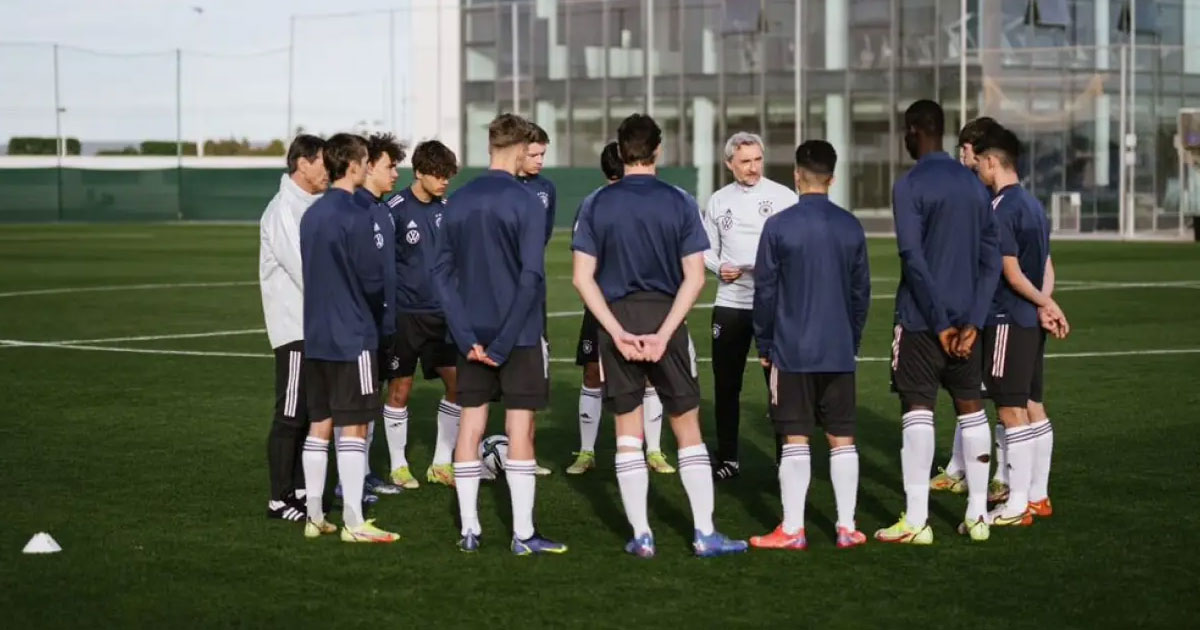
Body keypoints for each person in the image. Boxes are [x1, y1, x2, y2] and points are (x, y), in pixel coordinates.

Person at [572, 113, 747, 558]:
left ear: (620, 148)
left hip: (618, 322)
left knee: (627, 430)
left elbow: (582, 278)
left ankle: (642, 535)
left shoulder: (596, 202)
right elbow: (695, 277)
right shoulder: (680, 200)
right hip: (666, 318)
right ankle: (704, 534)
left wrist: (616, 330)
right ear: (658, 150)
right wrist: (664, 334)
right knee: (687, 427)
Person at [433, 114, 566, 555]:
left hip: (470, 334)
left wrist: (465, 334)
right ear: (520, 146)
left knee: (470, 425)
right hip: (519, 335)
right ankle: (523, 534)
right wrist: (506, 341)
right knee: (521, 429)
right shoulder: (528, 201)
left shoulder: (458, 200)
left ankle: (469, 529)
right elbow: (531, 277)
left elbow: (440, 274)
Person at [874, 100, 1001, 545]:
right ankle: (978, 516)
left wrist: (941, 322)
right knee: (971, 409)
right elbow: (991, 261)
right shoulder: (974, 187)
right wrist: (974, 321)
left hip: (922, 322)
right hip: (968, 324)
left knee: (918, 410)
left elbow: (912, 256)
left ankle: (916, 520)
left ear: (913, 131)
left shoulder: (909, 185)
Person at [748, 140, 870, 550]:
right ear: (832, 179)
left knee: (795, 437)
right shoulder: (851, 225)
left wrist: (764, 344)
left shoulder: (778, 226)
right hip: (837, 350)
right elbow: (861, 294)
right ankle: (847, 527)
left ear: (797, 175)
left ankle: (793, 529)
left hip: (792, 349)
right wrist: (849, 341)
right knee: (842, 437)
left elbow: (764, 292)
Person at [298, 132, 399, 543]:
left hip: (316, 335)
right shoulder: (358, 215)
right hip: (353, 335)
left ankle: (315, 515)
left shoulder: (311, 214)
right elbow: (374, 280)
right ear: (355, 165)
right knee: (355, 427)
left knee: (319, 425)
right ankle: (354, 522)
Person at [970, 125, 1068, 525]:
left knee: (1010, 410)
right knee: (1031, 405)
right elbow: (1047, 264)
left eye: (979, 164)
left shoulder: (1001, 208)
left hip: (1007, 318)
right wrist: (1046, 304)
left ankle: (1017, 505)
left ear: (992, 163)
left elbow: (1009, 273)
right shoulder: (1034, 205)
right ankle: (1038, 497)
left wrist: (1044, 303)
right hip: (1030, 320)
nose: (977, 171)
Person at [566, 141, 673, 476]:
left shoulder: (656, 202)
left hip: (647, 305)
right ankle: (586, 451)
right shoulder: (592, 205)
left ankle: (653, 450)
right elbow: (583, 262)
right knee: (592, 373)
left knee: (651, 375)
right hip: (602, 306)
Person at [701, 132, 798, 481]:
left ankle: (784, 459)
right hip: (730, 303)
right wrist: (718, 267)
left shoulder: (784, 197)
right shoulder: (717, 201)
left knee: (779, 385)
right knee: (726, 385)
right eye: (745, 161)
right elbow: (705, 249)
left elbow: (796, 246)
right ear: (730, 164)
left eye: (757, 160)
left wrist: (771, 266)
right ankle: (728, 458)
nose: (753, 167)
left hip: (773, 305)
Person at [930, 115, 1010, 502]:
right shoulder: (986, 198)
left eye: (966, 152)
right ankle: (961, 469)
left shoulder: (996, 202)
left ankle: (1002, 477)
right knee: (976, 392)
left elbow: (999, 261)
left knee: (1001, 398)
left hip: (994, 312)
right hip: (984, 309)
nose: (963, 160)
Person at [380, 139, 463, 489]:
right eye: (438, 175)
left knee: (459, 385)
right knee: (400, 389)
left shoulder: (449, 208)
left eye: (448, 176)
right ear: (419, 172)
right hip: (406, 315)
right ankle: (398, 465)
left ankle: (441, 462)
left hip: (442, 315)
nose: (445, 182)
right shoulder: (394, 210)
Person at [259, 134, 326, 522]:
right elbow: (305, 269)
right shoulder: (284, 209)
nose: (326, 172)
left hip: (314, 326)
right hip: (295, 327)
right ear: (302, 164)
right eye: (321, 164)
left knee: (307, 411)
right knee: (289, 414)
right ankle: (279, 498)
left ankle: (300, 489)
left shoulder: (310, 205)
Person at [341, 133, 403, 498]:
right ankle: (350, 480)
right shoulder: (356, 210)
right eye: (388, 166)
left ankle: (364, 471)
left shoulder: (383, 209)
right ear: (366, 169)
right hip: (360, 326)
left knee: (372, 400)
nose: (395, 173)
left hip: (385, 322)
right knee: (354, 405)